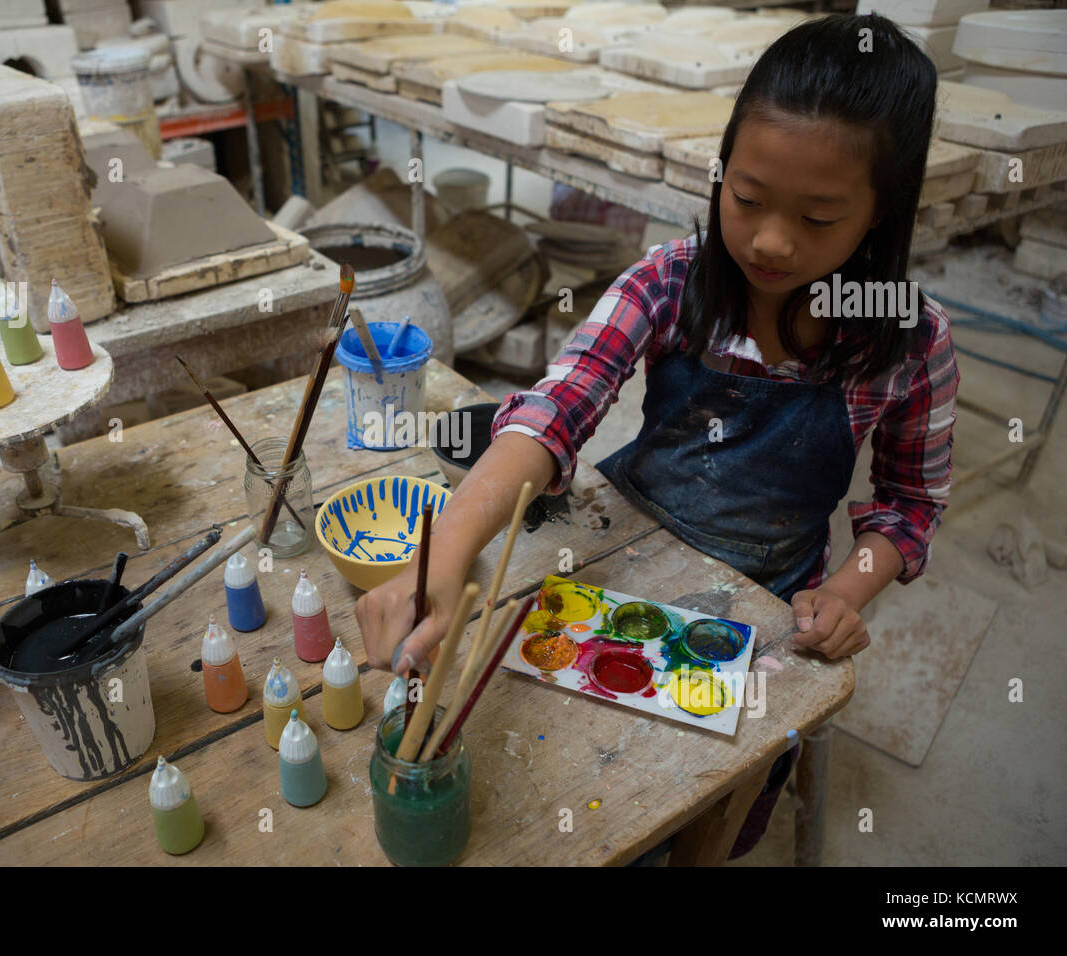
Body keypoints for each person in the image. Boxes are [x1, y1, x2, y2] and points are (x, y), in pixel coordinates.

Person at [355, 12, 958, 857]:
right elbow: (555, 411)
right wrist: (447, 559)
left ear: (881, 214)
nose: (772, 241)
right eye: (746, 199)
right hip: (623, 542)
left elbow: (909, 504)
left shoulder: (907, 338)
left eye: (819, 219)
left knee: (701, 794)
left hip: (765, 588)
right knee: (553, 766)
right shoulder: (673, 281)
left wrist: (850, 590)